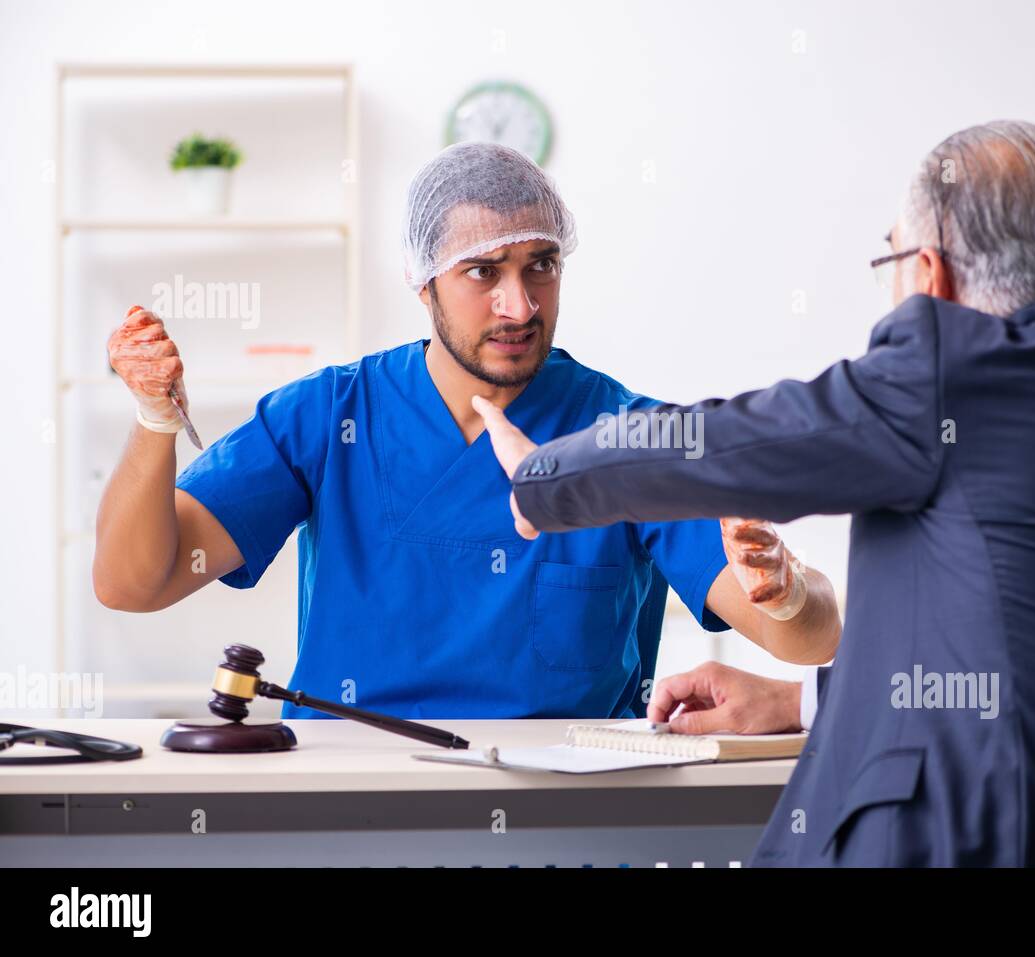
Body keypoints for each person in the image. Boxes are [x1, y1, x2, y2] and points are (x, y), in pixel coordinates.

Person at [474, 121, 1035, 866]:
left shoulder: (955, 373)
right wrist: (801, 701)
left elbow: (728, 441)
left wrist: (545, 478)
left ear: (931, 272)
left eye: (889, 263)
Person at [92, 142, 841, 721]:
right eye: (483, 272)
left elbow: (809, 639)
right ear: (423, 283)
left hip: (568, 829)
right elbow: (134, 582)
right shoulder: (326, 420)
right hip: (351, 816)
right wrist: (156, 420)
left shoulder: (625, 432)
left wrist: (784, 597)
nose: (519, 305)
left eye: (540, 265)